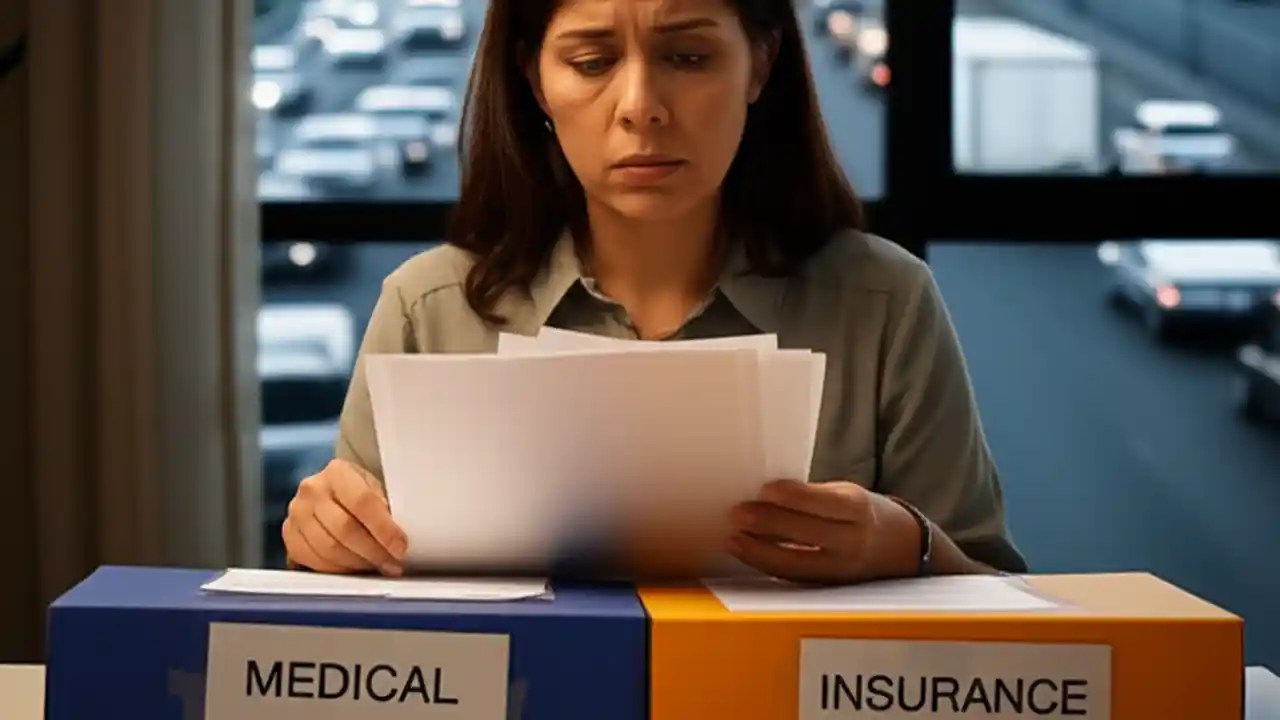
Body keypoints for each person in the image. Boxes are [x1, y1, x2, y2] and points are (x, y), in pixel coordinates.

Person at [282, 0, 1028, 583]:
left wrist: (908, 545)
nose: (640, 105)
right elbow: (346, 627)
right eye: (591, 61)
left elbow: (1006, 612)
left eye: (689, 57)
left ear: (761, 63)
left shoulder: (884, 302)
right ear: (535, 80)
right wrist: (325, 541)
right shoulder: (428, 308)